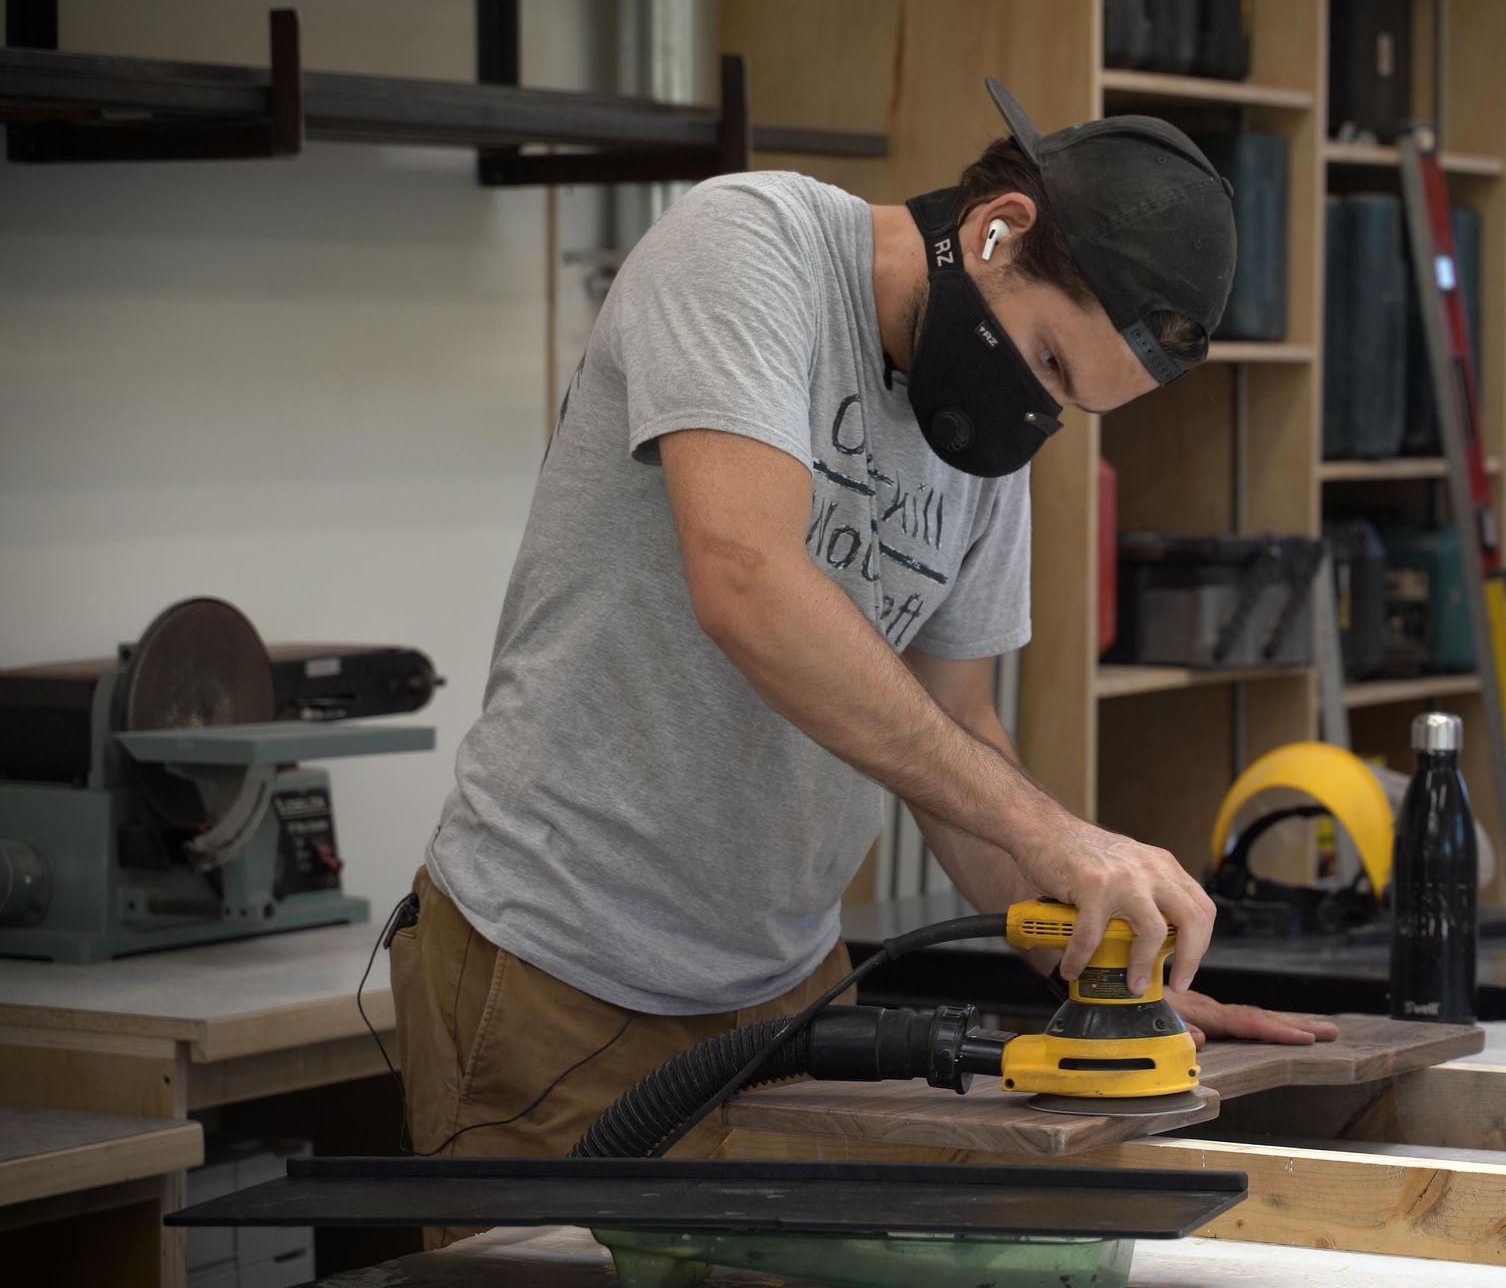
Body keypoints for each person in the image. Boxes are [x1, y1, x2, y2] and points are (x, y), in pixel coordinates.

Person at [388, 80, 1335, 1189]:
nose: (1039, 414)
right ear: (998, 231)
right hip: (559, 967)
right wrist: (1052, 833)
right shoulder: (748, 247)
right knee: (544, 1267)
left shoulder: (986, 430)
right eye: (1049, 364)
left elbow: (955, 724)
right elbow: (746, 580)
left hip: (786, 992)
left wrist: (1107, 971)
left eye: (1072, 403)